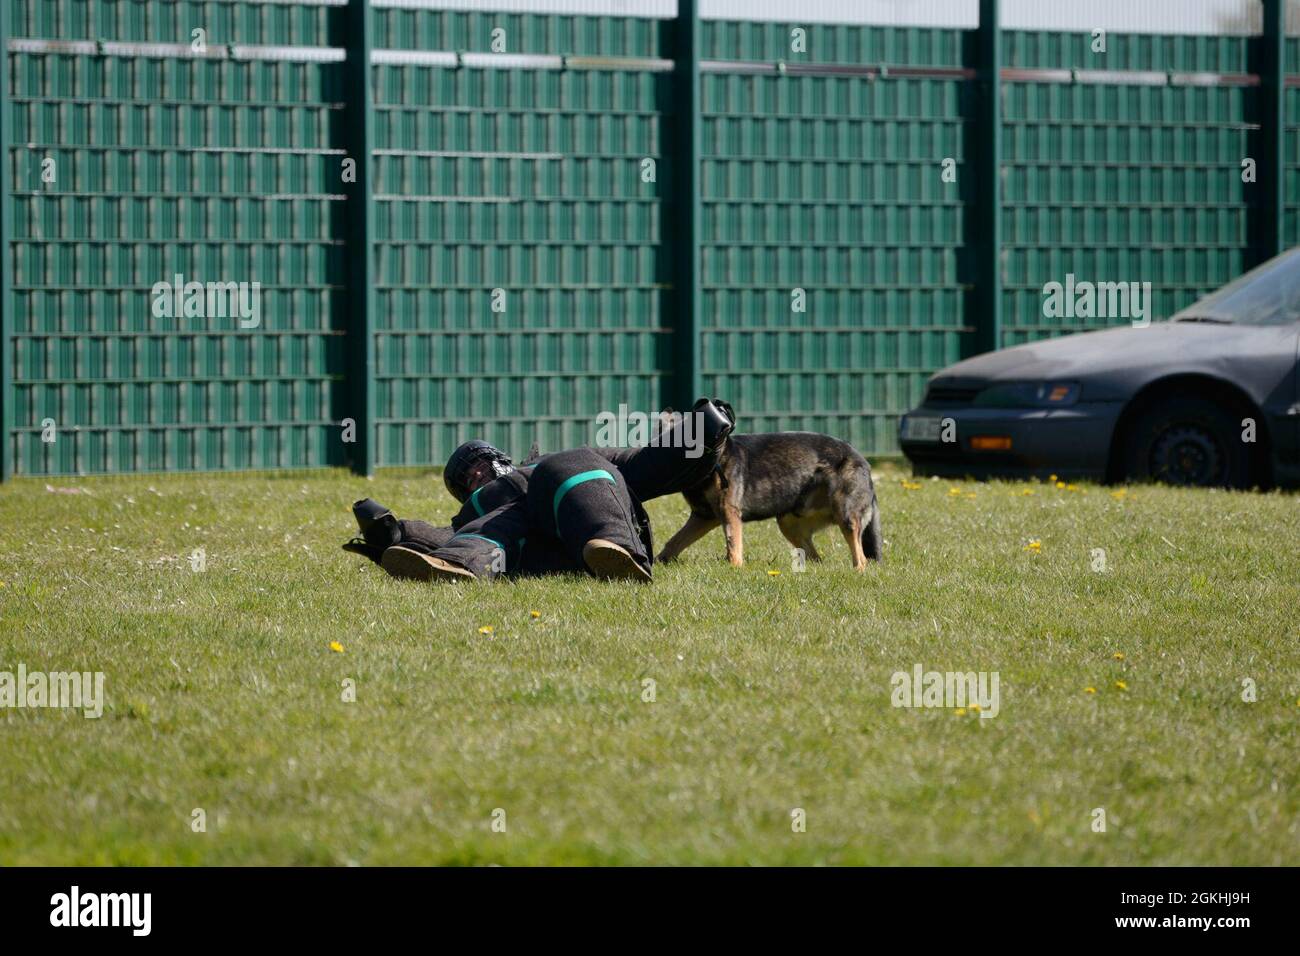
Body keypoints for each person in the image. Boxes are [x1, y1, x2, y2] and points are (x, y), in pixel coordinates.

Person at [343, 399, 735, 583]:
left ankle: (615, 550)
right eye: (465, 477)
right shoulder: (476, 511)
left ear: (500, 456)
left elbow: (652, 466)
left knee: (566, 464)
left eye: (477, 460)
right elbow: (438, 535)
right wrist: (389, 535)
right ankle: (458, 568)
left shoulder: (552, 463)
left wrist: (700, 433)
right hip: (537, 548)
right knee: (475, 532)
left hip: (581, 515)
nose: (474, 472)